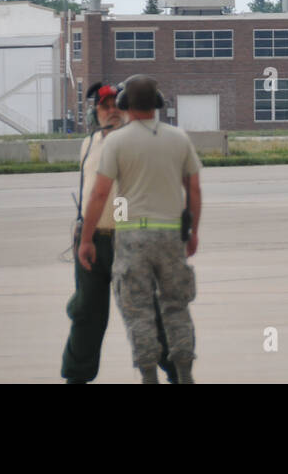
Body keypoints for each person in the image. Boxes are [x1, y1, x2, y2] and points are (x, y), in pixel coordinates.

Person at [79, 74, 201, 384]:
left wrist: (85, 237)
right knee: (176, 308)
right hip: (172, 235)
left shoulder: (116, 141)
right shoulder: (179, 138)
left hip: (132, 237)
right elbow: (194, 190)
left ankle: (148, 375)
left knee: (139, 311)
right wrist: (193, 231)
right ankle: (184, 372)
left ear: (124, 105)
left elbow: (99, 194)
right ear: (158, 104)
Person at [62, 81, 178, 384]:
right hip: (93, 240)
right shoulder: (89, 144)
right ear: (95, 113)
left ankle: (177, 370)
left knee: (147, 312)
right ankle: (76, 376)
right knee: (86, 312)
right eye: (105, 106)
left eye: (117, 105)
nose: (112, 111)